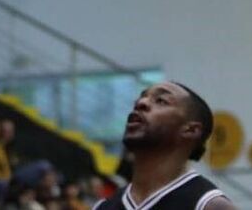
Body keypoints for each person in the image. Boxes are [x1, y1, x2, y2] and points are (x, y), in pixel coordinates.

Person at [93, 83, 233, 210]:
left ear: (190, 130)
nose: (141, 103)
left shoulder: (210, 205)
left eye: (161, 101)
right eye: (141, 98)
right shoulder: (102, 207)